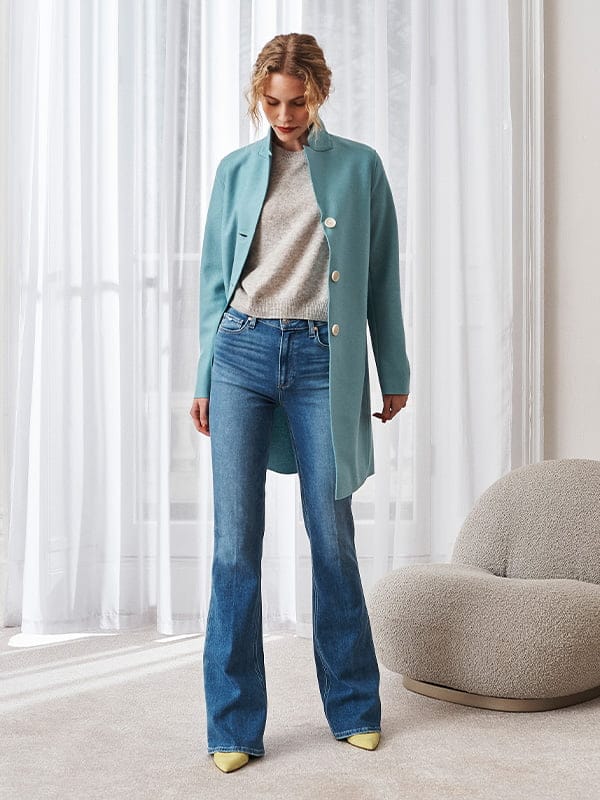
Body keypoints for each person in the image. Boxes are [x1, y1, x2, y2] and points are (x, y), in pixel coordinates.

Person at [190, 32, 410, 774]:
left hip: (323, 360)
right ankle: (231, 726)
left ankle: (354, 708)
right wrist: (202, 376)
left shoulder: (359, 166)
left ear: (320, 94)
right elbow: (214, 282)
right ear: (260, 96)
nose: (284, 116)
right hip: (241, 353)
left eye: (297, 102)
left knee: (332, 535)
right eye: (272, 102)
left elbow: (381, 275)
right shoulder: (234, 170)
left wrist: (393, 368)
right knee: (234, 545)